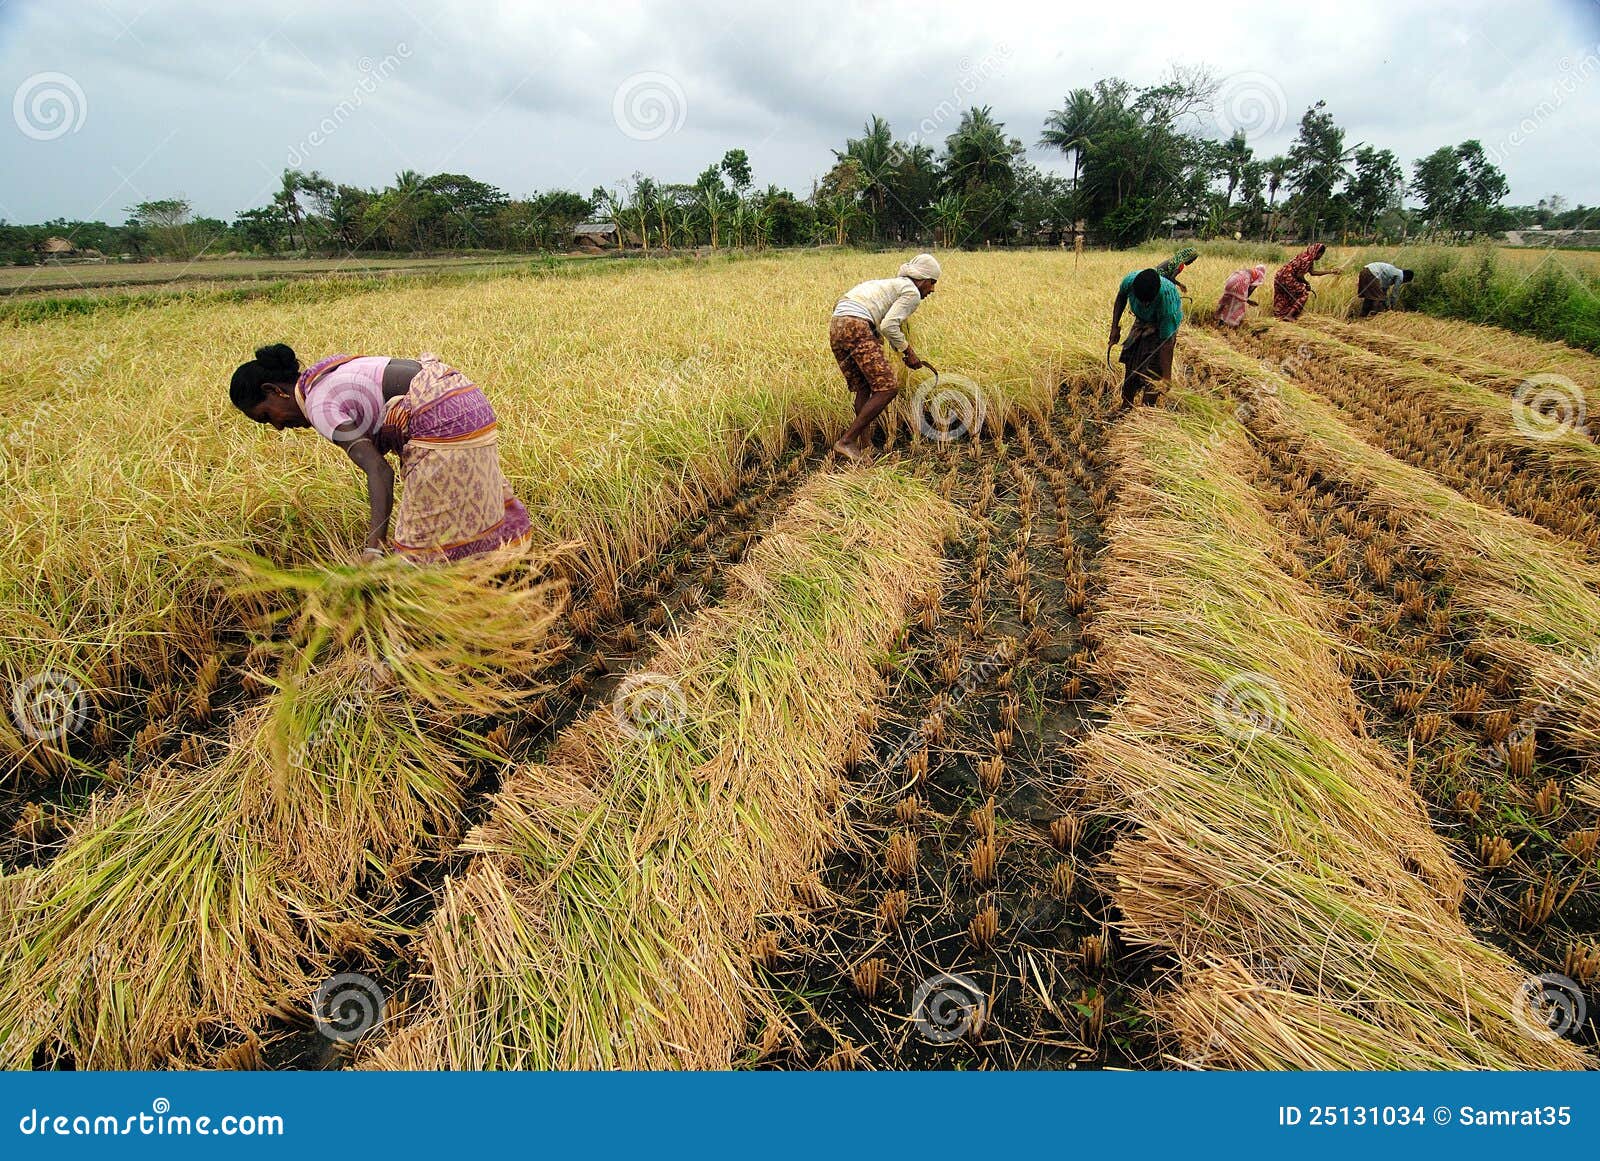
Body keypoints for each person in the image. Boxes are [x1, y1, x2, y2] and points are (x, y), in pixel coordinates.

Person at [229, 344, 531, 563]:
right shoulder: (324, 373)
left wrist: (374, 547)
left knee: (421, 549)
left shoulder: (319, 403)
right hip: (466, 398)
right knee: (466, 515)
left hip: (438, 417)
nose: (278, 428)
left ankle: (434, 627)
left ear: (274, 390)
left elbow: (379, 470)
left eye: (267, 417)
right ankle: (488, 598)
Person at [829, 253, 941, 461]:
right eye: (932, 283)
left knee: (865, 387)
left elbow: (846, 306)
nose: (932, 289)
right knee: (888, 387)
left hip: (838, 325)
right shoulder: (911, 291)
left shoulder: (889, 284)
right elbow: (889, 325)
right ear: (924, 280)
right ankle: (846, 441)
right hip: (857, 325)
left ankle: (865, 446)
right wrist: (909, 352)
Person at [1109, 267, 1184, 409]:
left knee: (1154, 371)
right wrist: (1114, 327)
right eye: (1141, 301)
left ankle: (1146, 410)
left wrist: (1166, 377)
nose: (1144, 305)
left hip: (1160, 324)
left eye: (1148, 302)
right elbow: (1121, 297)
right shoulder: (1129, 281)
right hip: (1142, 321)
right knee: (1131, 362)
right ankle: (1126, 404)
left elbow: (1166, 343)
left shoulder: (1167, 302)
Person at [1272, 242, 1336, 320]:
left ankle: (1279, 315)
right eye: (1321, 254)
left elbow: (1313, 273)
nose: (1320, 257)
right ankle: (1289, 315)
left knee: (1282, 295)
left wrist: (1331, 271)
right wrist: (1307, 283)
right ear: (1317, 252)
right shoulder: (1308, 259)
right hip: (1287, 277)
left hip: (1279, 276)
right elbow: (1299, 276)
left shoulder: (1306, 256)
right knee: (1303, 293)